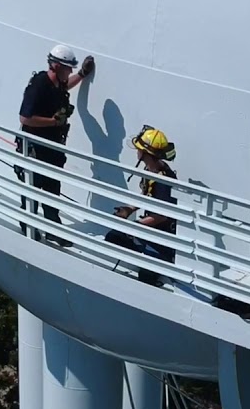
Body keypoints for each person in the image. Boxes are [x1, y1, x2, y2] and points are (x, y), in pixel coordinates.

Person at [16, 44, 95, 246]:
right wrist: (53, 122)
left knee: (52, 189)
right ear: (57, 66)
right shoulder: (39, 85)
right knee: (32, 189)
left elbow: (66, 85)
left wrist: (83, 74)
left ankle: (53, 230)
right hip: (35, 148)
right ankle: (29, 229)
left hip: (52, 149)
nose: (70, 71)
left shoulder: (57, 83)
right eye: (68, 68)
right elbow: (25, 118)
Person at [105, 126, 178, 285]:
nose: (136, 152)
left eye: (139, 148)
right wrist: (129, 209)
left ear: (146, 153)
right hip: (148, 232)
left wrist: (136, 226)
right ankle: (142, 256)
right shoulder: (151, 170)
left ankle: (156, 266)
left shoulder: (164, 179)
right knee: (112, 237)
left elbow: (162, 215)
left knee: (146, 278)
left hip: (161, 240)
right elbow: (146, 196)